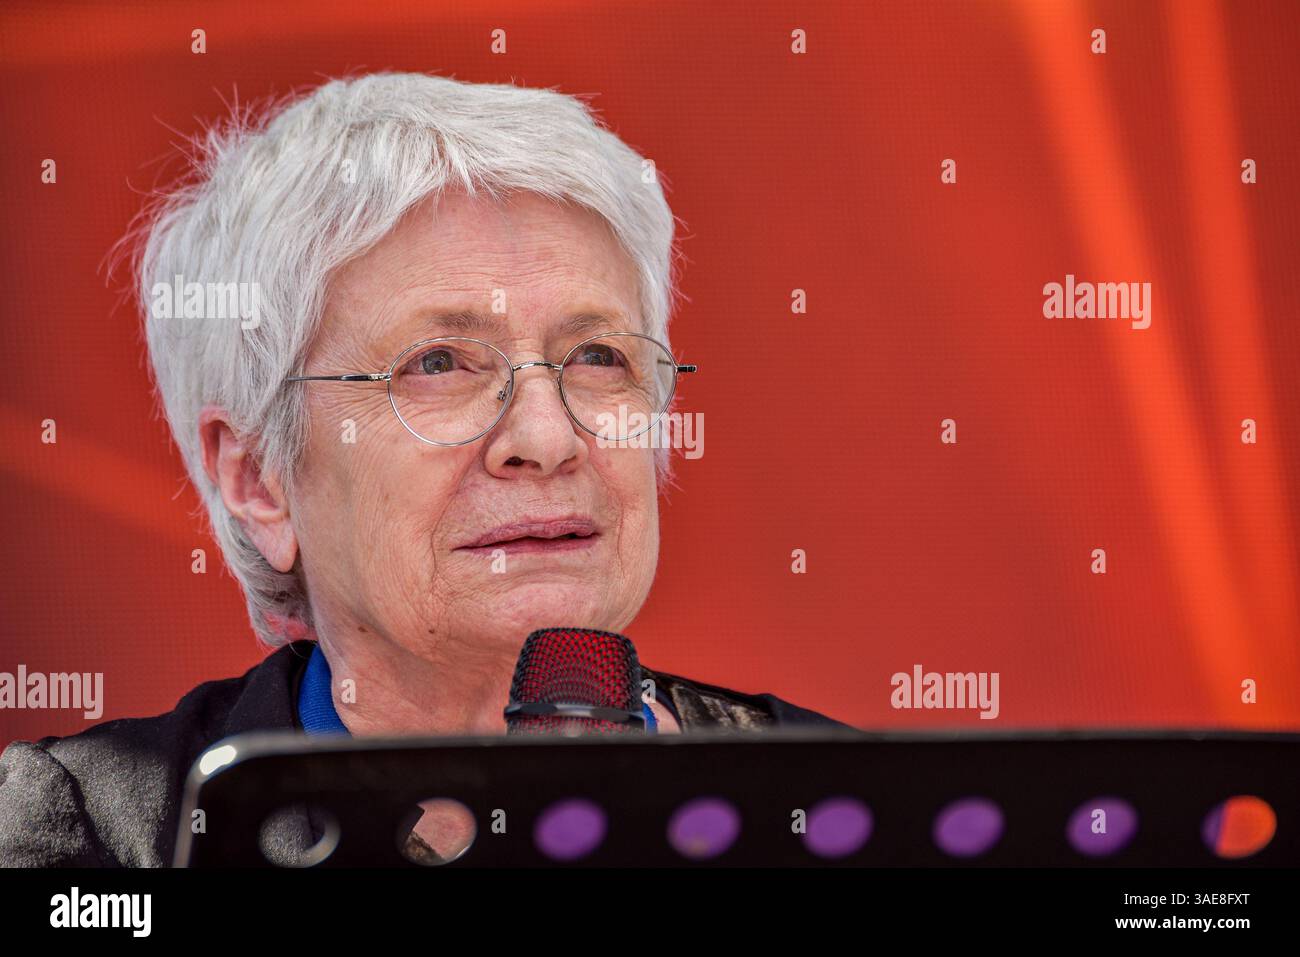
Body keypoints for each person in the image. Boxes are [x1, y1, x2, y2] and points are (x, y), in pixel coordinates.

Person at [0, 72, 846, 867]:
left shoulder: (843, 807)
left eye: (597, 355)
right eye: (439, 364)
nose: (548, 437)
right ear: (259, 479)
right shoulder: (100, 833)